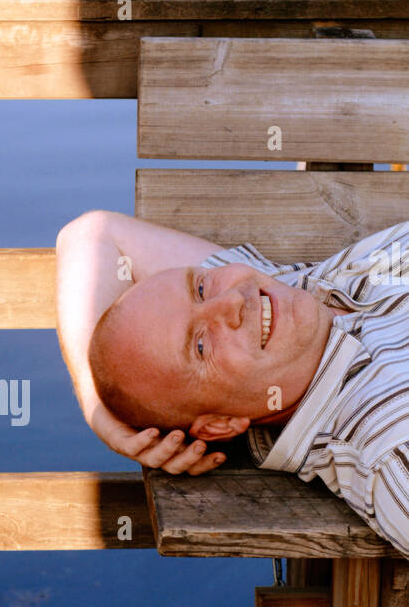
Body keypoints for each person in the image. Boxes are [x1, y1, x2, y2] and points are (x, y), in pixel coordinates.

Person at [55, 208, 409, 556]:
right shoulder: (389, 449)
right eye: (200, 345)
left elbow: (94, 234)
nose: (233, 300)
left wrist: (99, 410)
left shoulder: (284, 290)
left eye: (200, 287)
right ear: (221, 423)